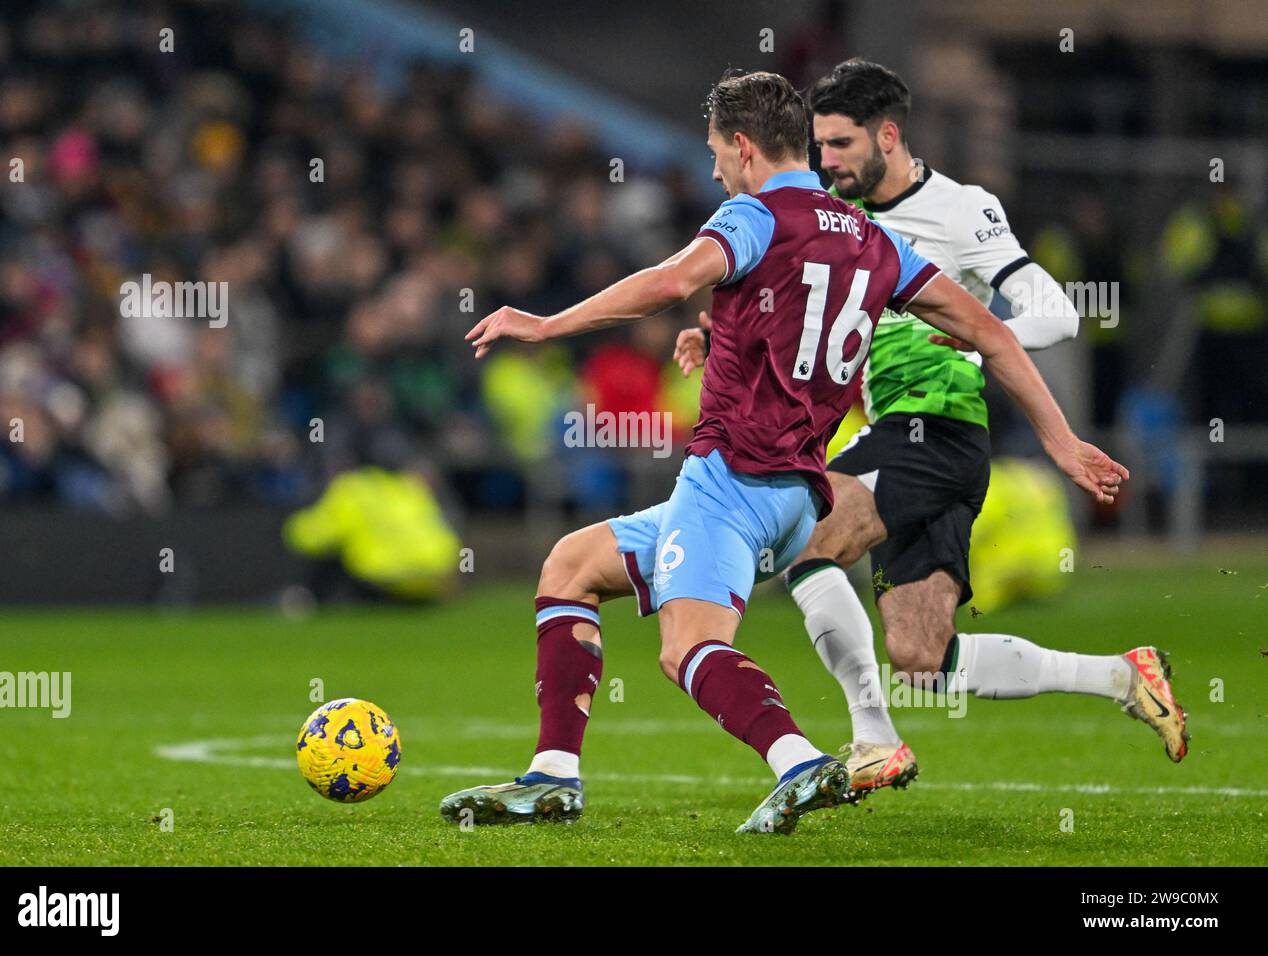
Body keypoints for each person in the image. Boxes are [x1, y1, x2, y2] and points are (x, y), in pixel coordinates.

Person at [441, 70, 1127, 835]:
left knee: (687, 650)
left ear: (743, 147)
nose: (711, 170)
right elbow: (993, 332)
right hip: (797, 494)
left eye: (714, 153)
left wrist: (542, 325)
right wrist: (1061, 441)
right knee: (572, 564)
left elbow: (671, 282)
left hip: (729, 478)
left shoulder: (751, 216)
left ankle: (799, 761)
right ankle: (553, 775)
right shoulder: (874, 237)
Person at [675, 60, 1187, 804]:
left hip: (935, 431)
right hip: (908, 443)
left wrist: (979, 338)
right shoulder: (831, 216)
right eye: (819, 145)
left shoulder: (961, 210)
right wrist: (722, 341)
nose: (829, 161)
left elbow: (1057, 311)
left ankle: (875, 741)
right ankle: (1120, 674)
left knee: (806, 544)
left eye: (844, 143)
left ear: (889, 135)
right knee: (922, 656)